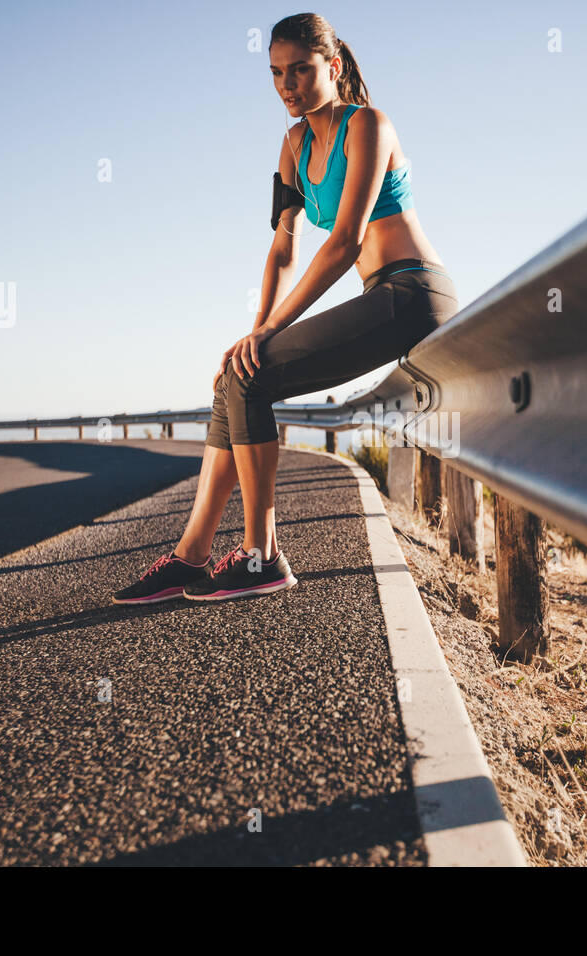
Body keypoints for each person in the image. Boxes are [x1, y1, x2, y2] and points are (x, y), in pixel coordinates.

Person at [113, 13, 459, 604]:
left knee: (253, 377)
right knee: (237, 376)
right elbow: (282, 249)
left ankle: (262, 557)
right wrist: (255, 334)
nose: (287, 85)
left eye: (300, 69)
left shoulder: (368, 126)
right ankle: (191, 556)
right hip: (380, 297)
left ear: (334, 65)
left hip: (414, 294)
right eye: (276, 73)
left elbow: (346, 238)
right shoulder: (295, 145)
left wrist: (272, 330)